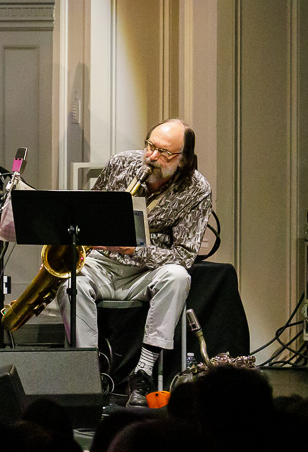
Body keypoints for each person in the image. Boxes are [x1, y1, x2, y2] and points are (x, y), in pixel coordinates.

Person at [63, 119, 212, 407]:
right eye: (150, 146)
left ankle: (142, 372)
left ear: (183, 160)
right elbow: (89, 213)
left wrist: (135, 250)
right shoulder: (121, 164)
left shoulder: (197, 189)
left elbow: (184, 255)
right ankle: (87, 373)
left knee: (178, 276)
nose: (152, 156)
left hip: (147, 271)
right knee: (71, 280)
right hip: (103, 263)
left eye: (164, 152)